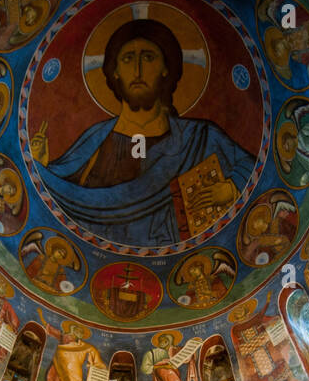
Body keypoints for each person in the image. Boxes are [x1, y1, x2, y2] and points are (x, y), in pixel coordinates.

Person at [33, 19, 254, 247]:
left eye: (148, 57)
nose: (137, 70)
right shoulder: (93, 140)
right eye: (128, 59)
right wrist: (39, 166)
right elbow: (58, 187)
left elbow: (251, 167)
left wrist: (231, 187)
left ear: (166, 68)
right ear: (115, 71)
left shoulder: (200, 137)